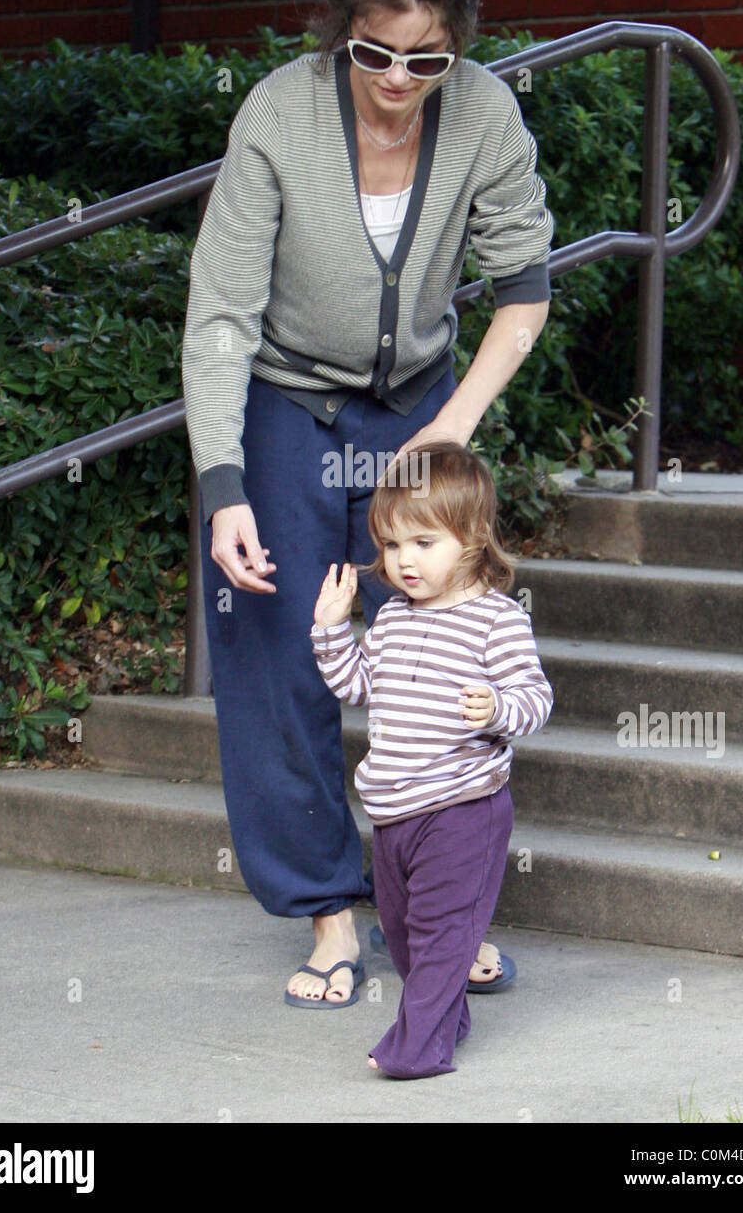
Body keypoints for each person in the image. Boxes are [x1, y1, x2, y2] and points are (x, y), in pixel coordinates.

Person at [181, 0, 553, 1008]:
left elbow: (522, 289)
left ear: (458, 44)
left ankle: (435, 913)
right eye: (373, 52)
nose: (397, 77)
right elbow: (219, 316)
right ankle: (327, 914)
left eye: (425, 58)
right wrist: (223, 485)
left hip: (420, 409)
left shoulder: (484, 117)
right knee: (280, 651)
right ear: (340, 28)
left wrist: (456, 423)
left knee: (450, 645)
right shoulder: (277, 116)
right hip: (284, 405)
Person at [310, 442, 554, 1076]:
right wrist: (333, 629)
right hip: (393, 810)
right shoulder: (392, 620)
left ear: (472, 537)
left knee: (444, 936)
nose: (402, 562)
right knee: (404, 934)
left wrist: (498, 707)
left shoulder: (495, 621)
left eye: (422, 543)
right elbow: (357, 685)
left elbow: (535, 698)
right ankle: (449, 1019)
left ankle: (415, 1049)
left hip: (462, 809)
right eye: (391, 546)